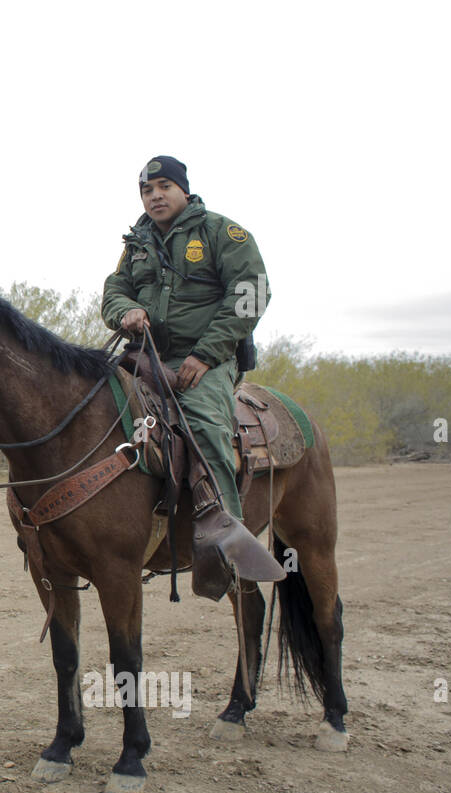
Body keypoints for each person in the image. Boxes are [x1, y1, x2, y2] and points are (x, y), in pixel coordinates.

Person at [101, 155, 269, 524]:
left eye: (164, 187)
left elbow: (251, 294)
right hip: (144, 356)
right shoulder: (136, 244)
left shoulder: (222, 233)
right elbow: (114, 290)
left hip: (205, 362)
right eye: (147, 190)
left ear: (184, 190)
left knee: (205, 427)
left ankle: (227, 535)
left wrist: (206, 355)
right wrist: (126, 310)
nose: (155, 196)